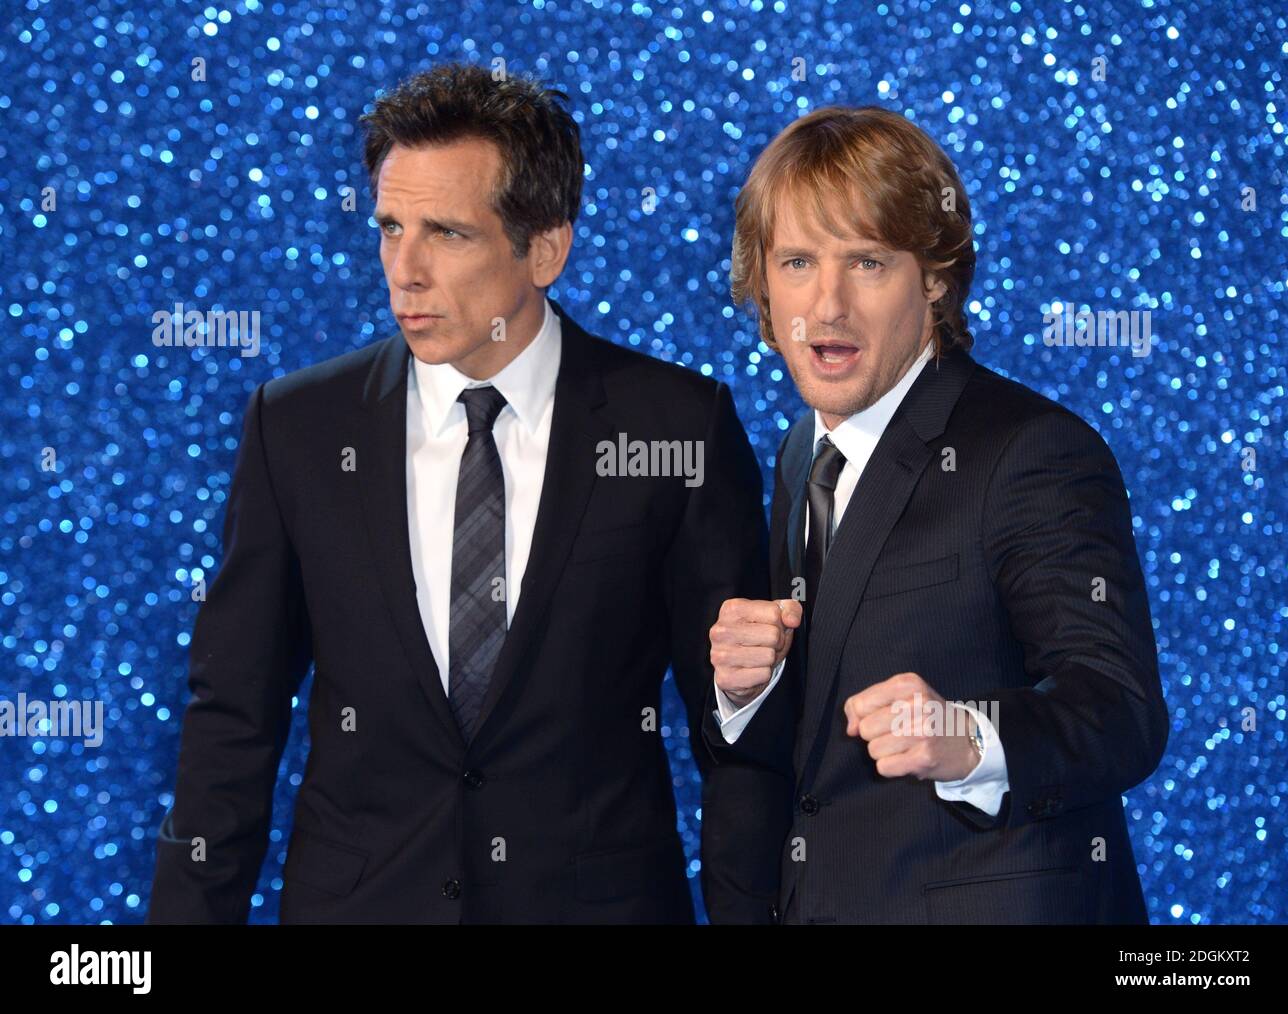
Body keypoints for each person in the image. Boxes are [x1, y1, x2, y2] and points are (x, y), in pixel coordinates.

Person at [147, 62, 772, 924]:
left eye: (444, 232)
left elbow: (738, 731)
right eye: (389, 226)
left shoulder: (678, 426)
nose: (402, 269)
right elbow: (234, 721)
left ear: (545, 247)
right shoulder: (296, 427)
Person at [705, 105, 1169, 924]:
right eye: (798, 261)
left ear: (936, 278)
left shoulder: (1031, 450)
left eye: (869, 262)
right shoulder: (798, 455)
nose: (828, 303)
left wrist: (969, 736)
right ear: (763, 288)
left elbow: (1122, 712)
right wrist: (750, 690)